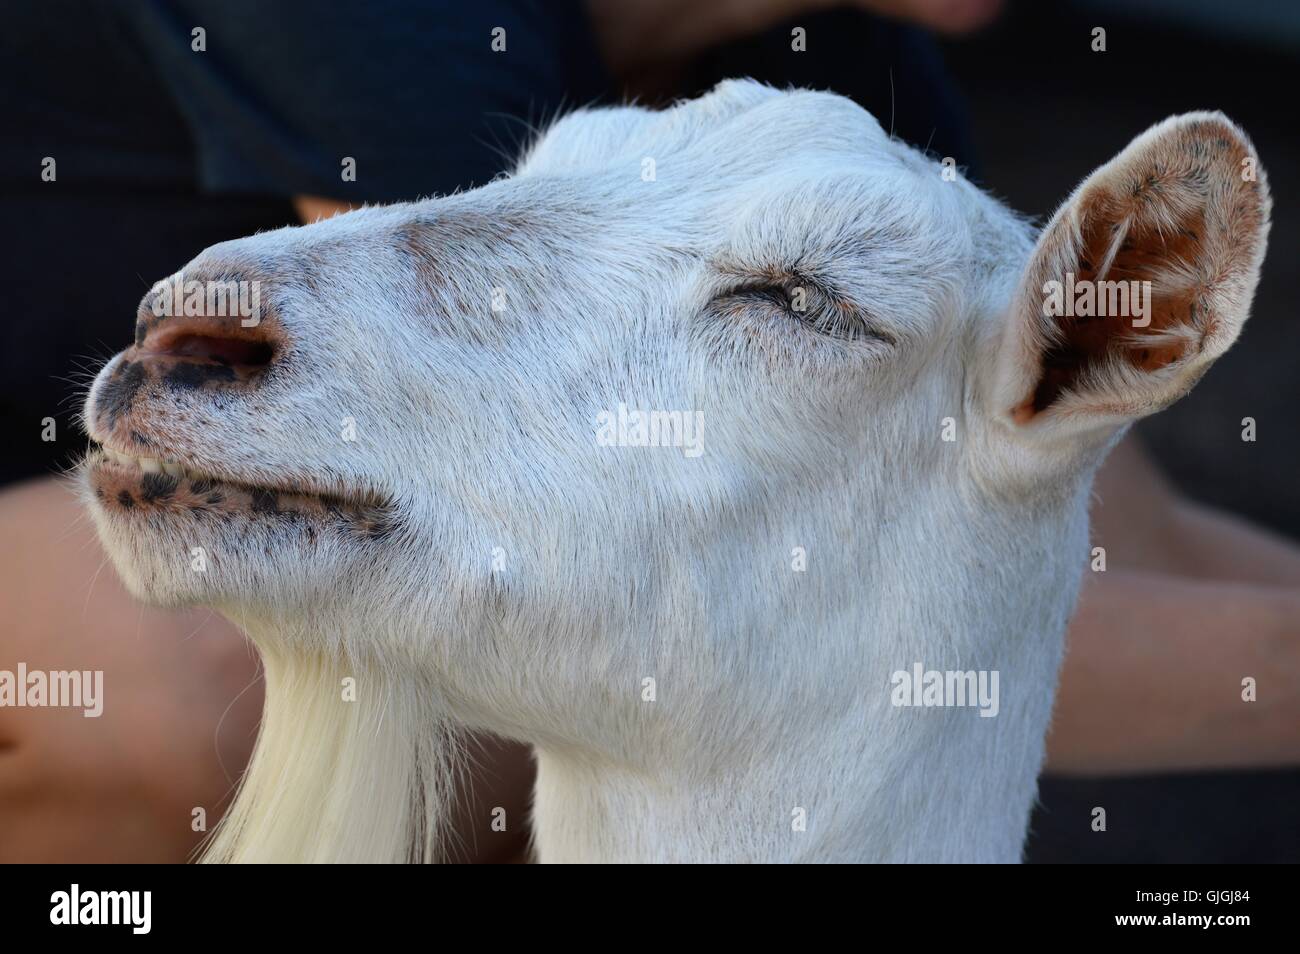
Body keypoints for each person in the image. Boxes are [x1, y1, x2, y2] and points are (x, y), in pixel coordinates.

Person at [3, 0, 1295, 862]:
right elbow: (356, 399)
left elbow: (1095, 516)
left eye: (798, 298)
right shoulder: (381, 28)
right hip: (58, 516)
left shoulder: (854, 78)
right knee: (192, 681)